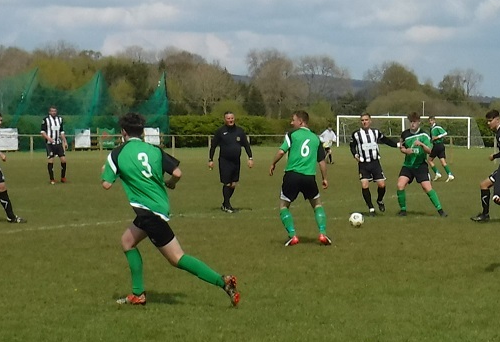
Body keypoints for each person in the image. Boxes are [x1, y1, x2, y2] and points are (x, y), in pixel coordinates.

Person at [103, 112, 239, 307]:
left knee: (176, 258)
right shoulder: (154, 150)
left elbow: (106, 184)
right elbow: (177, 172)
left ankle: (222, 281)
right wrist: (171, 183)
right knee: (127, 241)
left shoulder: (117, 153)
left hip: (149, 212)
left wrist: (107, 171)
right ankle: (137, 293)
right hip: (157, 208)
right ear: (142, 132)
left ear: (123, 132)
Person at [269, 109, 331, 245]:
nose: (292, 123)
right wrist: (324, 178)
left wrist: (273, 163)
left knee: (284, 206)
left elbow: (281, 152)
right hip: (309, 177)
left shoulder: (291, 134)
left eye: (294, 120)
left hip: (292, 175)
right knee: (317, 204)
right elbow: (322, 161)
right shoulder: (316, 138)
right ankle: (322, 233)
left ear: (301, 121)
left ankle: (293, 235)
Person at [395, 113, 447, 217]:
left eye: (414, 122)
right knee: (400, 185)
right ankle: (403, 210)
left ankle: (440, 210)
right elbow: (401, 147)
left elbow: (430, 151)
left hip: (420, 166)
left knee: (427, 187)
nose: (412, 124)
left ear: (419, 122)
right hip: (408, 165)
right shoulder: (405, 134)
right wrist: (405, 151)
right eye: (411, 122)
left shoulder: (424, 134)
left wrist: (422, 144)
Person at [472, 108, 500, 221]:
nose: (488, 123)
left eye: (490, 121)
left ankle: (485, 214)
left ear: (497, 120)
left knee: (484, 185)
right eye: (487, 121)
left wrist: (494, 156)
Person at [207, 111, 254, 213]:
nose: (230, 120)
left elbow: (246, 145)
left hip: (236, 161)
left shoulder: (240, 131)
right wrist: (210, 159)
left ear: (234, 118)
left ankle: (225, 203)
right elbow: (213, 146)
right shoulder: (220, 131)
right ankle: (227, 205)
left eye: (232, 118)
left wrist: (250, 158)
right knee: (227, 183)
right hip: (224, 161)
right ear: (225, 119)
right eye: (228, 118)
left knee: (233, 184)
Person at [347, 112, 391, 215]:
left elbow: (386, 140)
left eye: (366, 120)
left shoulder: (376, 132)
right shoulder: (356, 134)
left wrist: (397, 144)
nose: (364, 122)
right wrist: (355, 154)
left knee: (382, 185)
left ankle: (380, 200)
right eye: (362, 120)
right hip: (363, 164)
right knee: (364, 185)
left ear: (370, 121)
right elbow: (352, 146)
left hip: (375, 163)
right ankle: (371, 208)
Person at [42, 105, 68, 184]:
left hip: (58, 143)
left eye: (55, 111)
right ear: (49, 112)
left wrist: (65, 141)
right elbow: (42, 132)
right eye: (52, 111)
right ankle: (52, 179)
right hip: (50, 144)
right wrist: (48, 138)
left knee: (63, 160)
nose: (53, 112)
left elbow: (61, 132)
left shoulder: (59, 119)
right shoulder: (46, 120)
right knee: (51, 160)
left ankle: (63, 177)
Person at [428, 115, 454, 180]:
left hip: (437, 146)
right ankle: (450, 174)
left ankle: (437, 173)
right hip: (440, 146)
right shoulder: (431, 128)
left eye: (431, 120)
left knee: (430, 160)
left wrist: (437, 137)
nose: (430, 122)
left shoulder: (437, 127)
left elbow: (445, 133)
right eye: (429, 121)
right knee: (443, 161)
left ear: (434, 120)